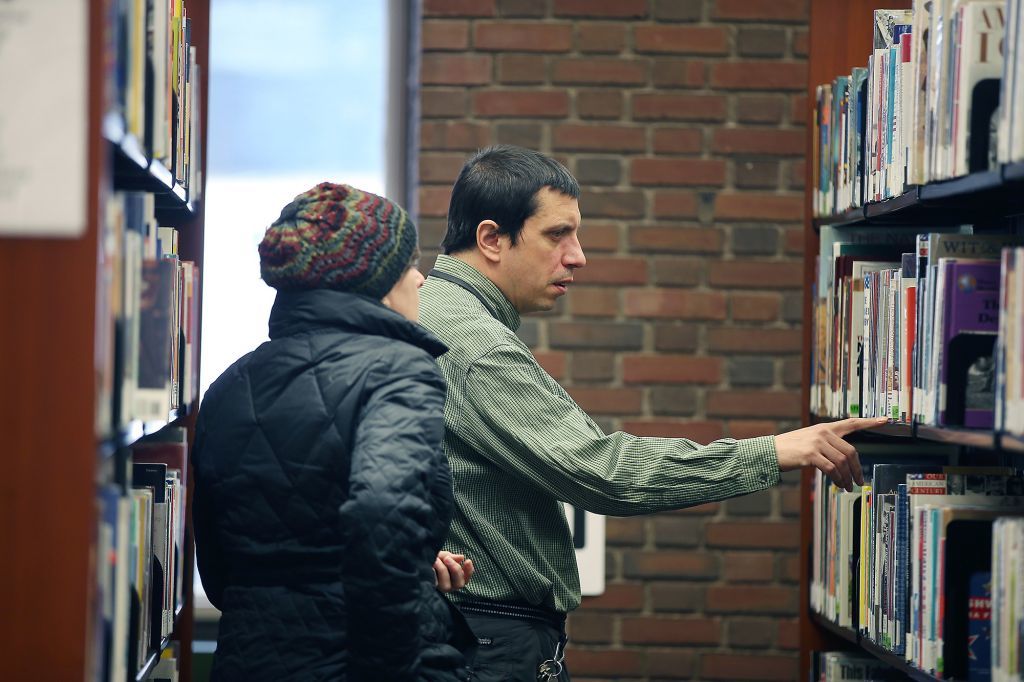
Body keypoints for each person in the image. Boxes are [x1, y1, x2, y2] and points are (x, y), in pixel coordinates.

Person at [417, 145, 888, 681]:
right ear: (491, 239)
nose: (577, 256)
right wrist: (776, 450)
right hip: (491, 639)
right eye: (557, 235)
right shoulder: (477, 347)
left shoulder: (431, 310)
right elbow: (605, 473)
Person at [192, 182, 476, 681]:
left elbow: (221, 568)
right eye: (409, 264)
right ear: (379, 281)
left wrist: (406, 558)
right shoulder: (398, 370)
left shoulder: (228, 386)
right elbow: (379, 513)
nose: (422, 279)